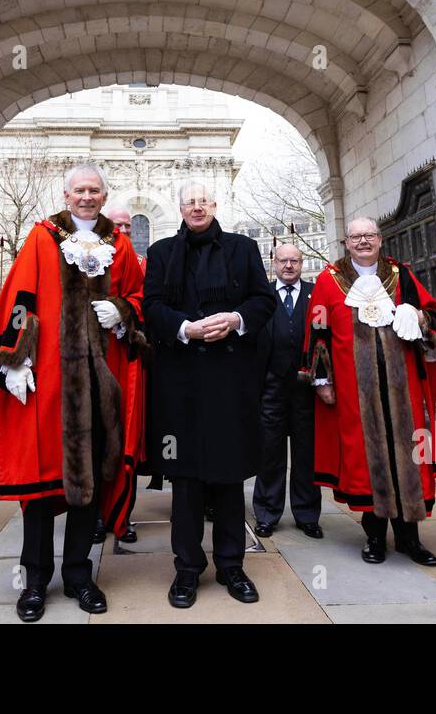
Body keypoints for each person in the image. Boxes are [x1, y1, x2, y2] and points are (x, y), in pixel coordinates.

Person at [0, 166, 146, 621]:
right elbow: (19, 299)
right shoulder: (42, 237)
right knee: (40, 482)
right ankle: (34, 581)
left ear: (103, 195)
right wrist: (14, 357)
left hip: (99, 377)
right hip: (49, 375)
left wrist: (123, 310)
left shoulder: (120, 244)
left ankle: (78, 575)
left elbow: (139, 294)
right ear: (67, 195)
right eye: (80, 191)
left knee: (87, 482)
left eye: (95, 191)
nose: (87, 197)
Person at [143, 182, 275, 608]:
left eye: (204, 201)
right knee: (185, 480)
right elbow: (152, 307)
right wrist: (186, 328)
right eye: (190, 203)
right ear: (181, 210)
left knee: (228, 475)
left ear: (215, 207)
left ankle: (232, 566)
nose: (197, 207)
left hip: (230, 378)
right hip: (181, 381)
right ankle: (186, 569)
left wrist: (236, 318)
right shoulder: (163, 253)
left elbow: (263, 299)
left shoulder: (242, 248)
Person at [301, 219, 436, 565]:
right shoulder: (328, 280)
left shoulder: (402, 275)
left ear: (380, 239)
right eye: (355, 236)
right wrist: (323, 380)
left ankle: (410, 538)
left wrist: (420, 319)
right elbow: (318, 332)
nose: (363, 241)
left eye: (369, 235)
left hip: (402, 386)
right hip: (354, 390)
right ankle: (375, 537)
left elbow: (434, 320)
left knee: (406, 457)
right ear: (346, 242)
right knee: (367, 458)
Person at [253, 243, 322, 538]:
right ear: (274, 263)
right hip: (271, 387)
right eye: (284, 261)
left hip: (306, 389)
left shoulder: (315, 294)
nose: (289, 266)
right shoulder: (261, 295)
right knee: (270, 453)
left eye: (294, 261)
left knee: (307, 453)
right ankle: (267, 513)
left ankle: (307, 515)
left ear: (302, 263)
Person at [96, 207, 145, 545]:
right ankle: (93, 514)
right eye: (119, 225)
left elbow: (146, 303)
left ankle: (121, 514)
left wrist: (124, 312)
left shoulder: (141, 262)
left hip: (125, 358)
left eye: (130, 225)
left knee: (125, 437)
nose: (124, 230)